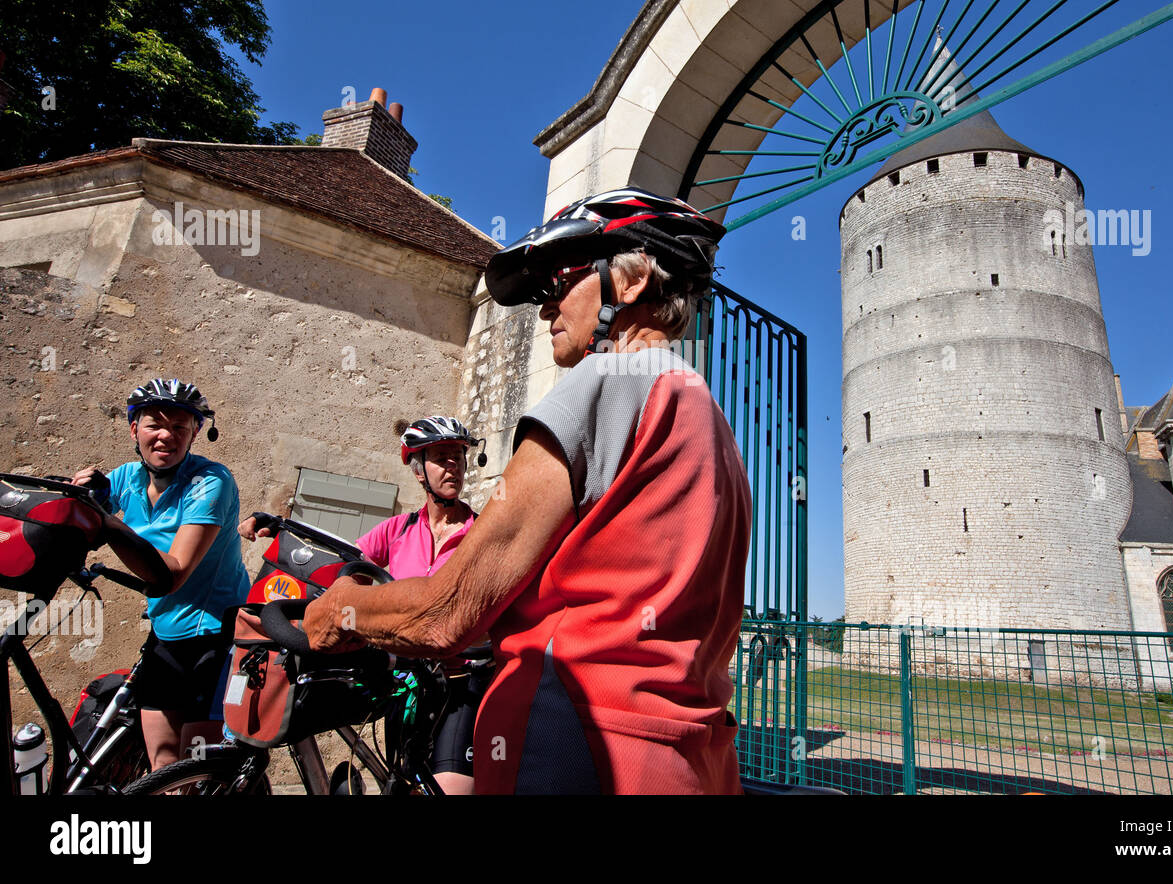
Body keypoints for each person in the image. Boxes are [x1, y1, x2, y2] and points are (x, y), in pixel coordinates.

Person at [302, 187, 752, 794]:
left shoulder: (612, 378)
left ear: (636, 278)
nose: (546, 311)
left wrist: (333, 610)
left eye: (558, 283)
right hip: (685, 756)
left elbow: (446, 611)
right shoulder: (705, 416)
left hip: (577, 739)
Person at [238, 414, 485, 794]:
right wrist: (284, 532)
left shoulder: (482, 532)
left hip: (459, 677)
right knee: (402, 780)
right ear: (419, 471)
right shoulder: (399, 529)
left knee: (449, 788)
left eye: (457, 456)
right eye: (441, 457)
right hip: (406, 677)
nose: (453, 464)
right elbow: (342, 563)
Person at [73, 379, 249, 771]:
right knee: (162, 764)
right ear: (134, 428)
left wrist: (102, 519)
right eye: (155, 424)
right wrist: (81, 498)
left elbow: (172, 574)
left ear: (194, 434)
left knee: (192, 768)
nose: (166, 436)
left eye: (180, 428)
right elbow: (80, 514)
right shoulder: (126, 478)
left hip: (215, 638)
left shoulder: (210, 483)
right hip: (165, 635)